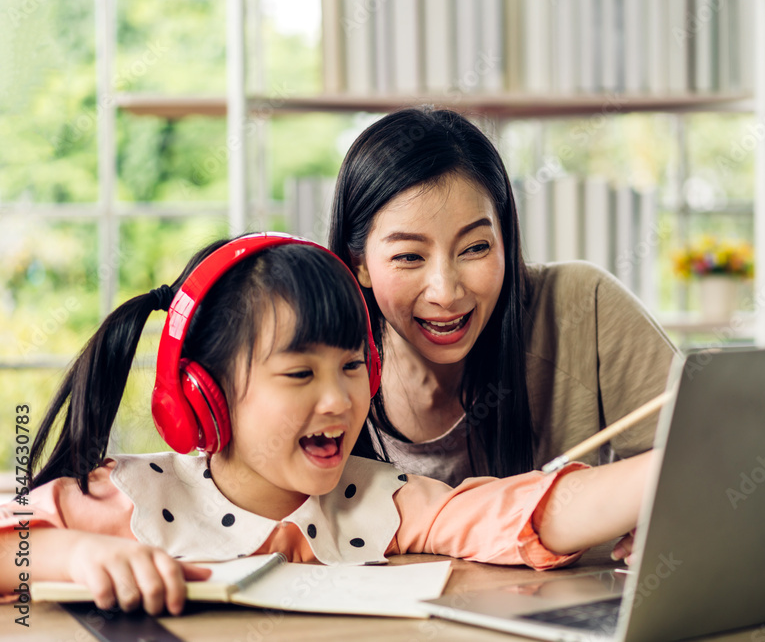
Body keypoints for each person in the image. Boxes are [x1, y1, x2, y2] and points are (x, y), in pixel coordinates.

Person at [1, 233, 650, 616]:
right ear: (202, 395)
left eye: (350, 367)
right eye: (299, 374)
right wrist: (78, 552)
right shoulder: (130, 500)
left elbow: (521, 511)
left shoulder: (378, 499)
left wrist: (665, 472)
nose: (339, 399)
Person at [330, 107, 680, 485]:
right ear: (359, 263)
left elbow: (708, 458)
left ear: (505, 238)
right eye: (410, 257)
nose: (446, 293)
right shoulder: (321, 365)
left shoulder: (582, 307)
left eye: (475, 248)